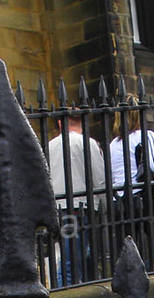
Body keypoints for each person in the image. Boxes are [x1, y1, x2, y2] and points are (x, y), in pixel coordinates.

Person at [109, 98, 154, 266]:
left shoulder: (113, 144)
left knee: (127, 250)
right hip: (142, 198)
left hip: (121, 202)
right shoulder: (146, 135)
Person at [47, 113, 107, 285]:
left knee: (72, 258)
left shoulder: (49, 145)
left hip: (59, 207)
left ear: (60, 123)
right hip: (80, 207)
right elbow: (100, 178)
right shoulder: (88, 143)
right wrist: (105, 204)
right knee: (72, 262)